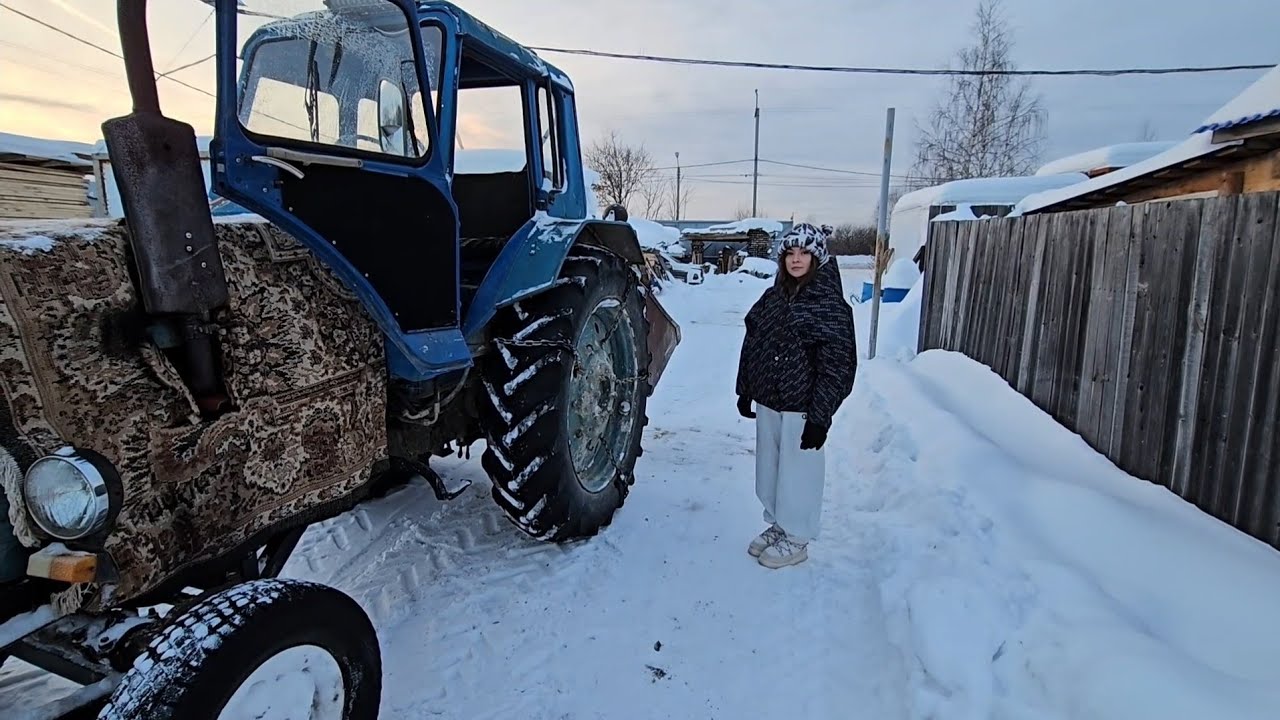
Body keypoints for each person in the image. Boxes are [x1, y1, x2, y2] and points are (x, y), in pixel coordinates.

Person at [734, 223, 857, 569]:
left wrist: (820, 417)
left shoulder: (828, 303)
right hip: (771, 400)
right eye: (791, 253)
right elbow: (753, 343)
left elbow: (838, 364)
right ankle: (780, 524)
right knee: (772, 469)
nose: (797, 259)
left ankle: (798, 537)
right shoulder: (775, 296)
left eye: (805, 253)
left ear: (818, 257)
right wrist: (747, 389)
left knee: (799, 473)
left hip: (803, 408)